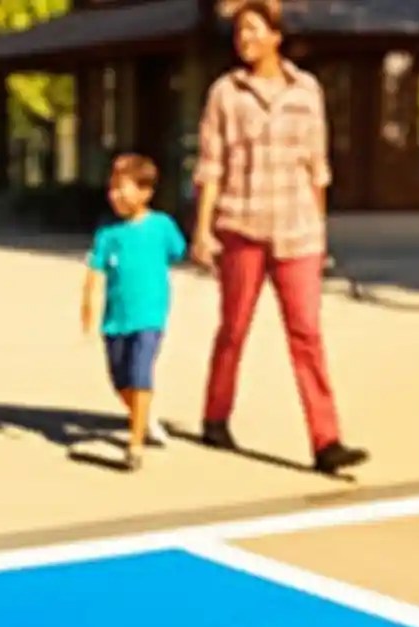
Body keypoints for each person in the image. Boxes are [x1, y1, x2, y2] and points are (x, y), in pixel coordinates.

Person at [192, 0, 368, 475]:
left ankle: (326, 441)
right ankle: (215, 415)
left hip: (298, 231)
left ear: (275, 36)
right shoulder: (225, 94)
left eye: (252, 30)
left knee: (307, 333)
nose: (244, 39)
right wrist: (202, 230)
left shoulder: (306, 90)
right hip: (242, 225)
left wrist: (320, 229)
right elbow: (211, 167)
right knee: (233, 329)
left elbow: (317, 165)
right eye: (238, 32)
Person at [81, 154, 186, 471]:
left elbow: (177, 251)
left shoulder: (161, 226)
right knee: (120, 380)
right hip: (116, 319)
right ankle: (143, 415)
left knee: (140, 373)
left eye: (122, 188)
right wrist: (88, 308)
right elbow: (95, 273)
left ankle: (135, 445)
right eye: (112, 188)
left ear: (145, 192)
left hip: (149, 316)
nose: (115, 195)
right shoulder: (108, 234)